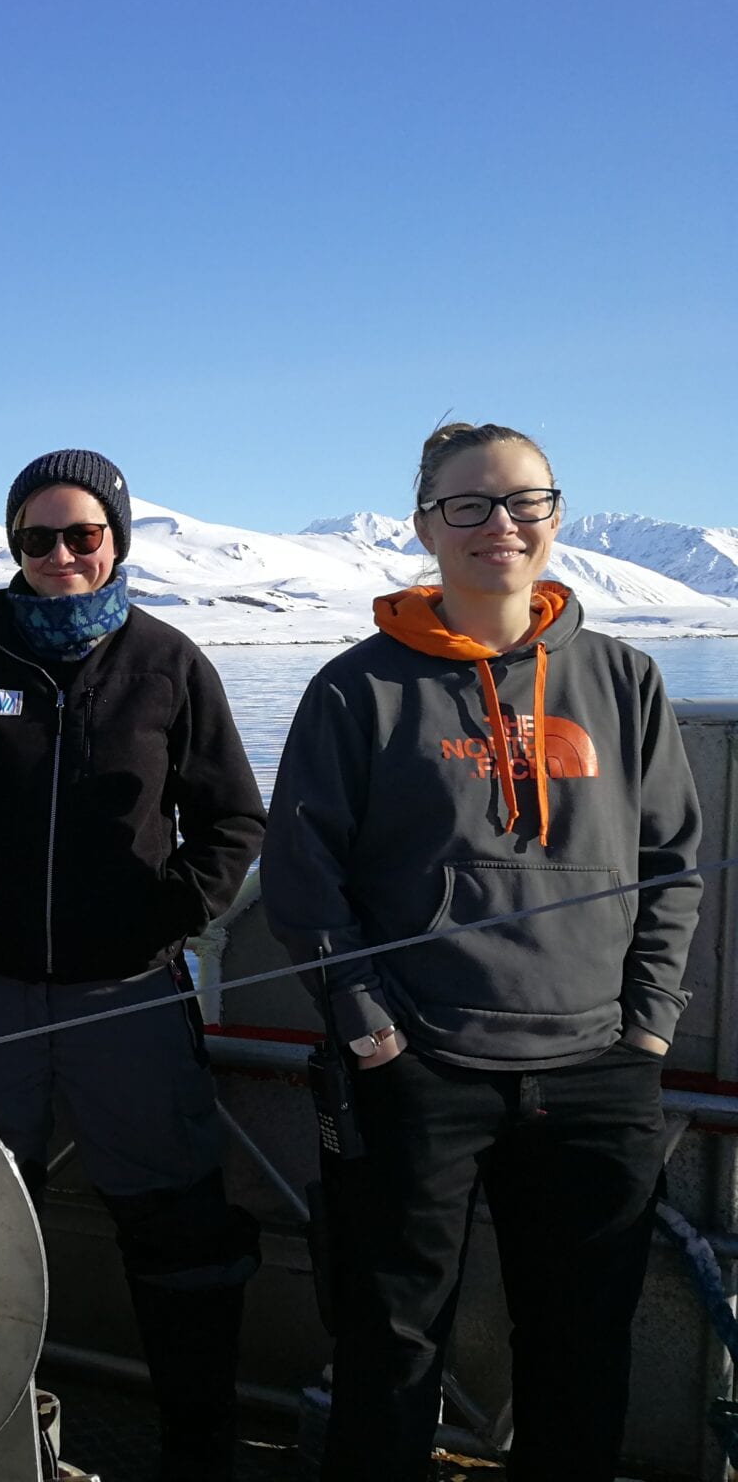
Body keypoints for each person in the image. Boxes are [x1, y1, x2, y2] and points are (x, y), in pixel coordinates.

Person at [262, 422, 703, 1481]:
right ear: (422, 525)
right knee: (390, 1344)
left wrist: (644, 1027)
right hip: (419, 1073)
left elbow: (669, 863)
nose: (497, 526)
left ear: (553, 517)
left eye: (521, 502)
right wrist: (370, 1033)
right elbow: (302, 878)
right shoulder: (355, 689)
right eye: (466, 505)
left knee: (579, 1349)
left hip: (595, 1072)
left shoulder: (621, 679)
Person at [0, 448, 267, 1481]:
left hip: (125, 995)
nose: (58, 555)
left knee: (173, 1220)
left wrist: (172, 912)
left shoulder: (166, 664)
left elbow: (231, 815)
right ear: (12, 544)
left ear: (115, 540)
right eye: (35, 537)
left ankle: (197, 1448)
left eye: (79, 535)